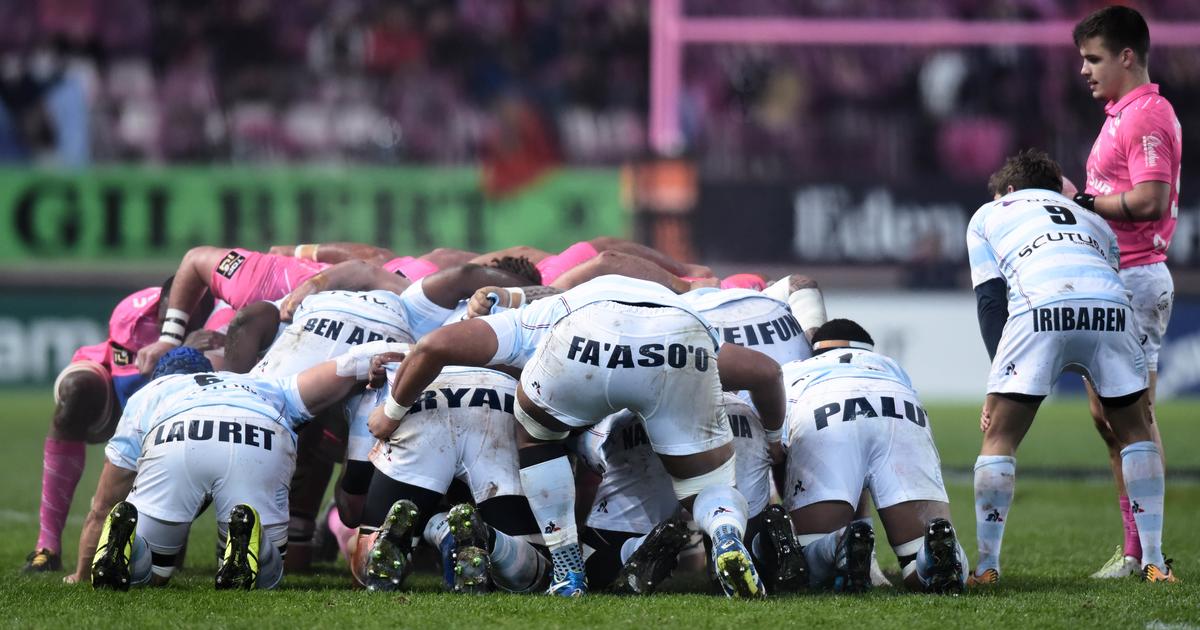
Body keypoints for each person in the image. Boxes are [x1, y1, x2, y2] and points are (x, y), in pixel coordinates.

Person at [371, 275, 786, 598]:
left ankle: (567, 564)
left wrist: (390, 415)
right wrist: (772, 437)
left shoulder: (535, 316)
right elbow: (767, 372)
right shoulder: (688, 315)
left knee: (535, 437)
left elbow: (433, 346)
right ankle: (726, 533)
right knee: (706, 486)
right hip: (677, 339)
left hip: (582, 336)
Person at [968, 149, 1171, 583]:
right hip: (1112, 309)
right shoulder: (1095, 220)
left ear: (1009, 190)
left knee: (999, 436)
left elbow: (990, 303)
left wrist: (996, 380)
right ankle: (1155, 561)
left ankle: (986, 567)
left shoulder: (988, 215)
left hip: (1040, 305)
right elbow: (1108, 281)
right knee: (1136, 433)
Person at [68, 344, 394, 590]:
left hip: (178, 435)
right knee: (268, 572)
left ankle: (130, 547)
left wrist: (82, 572)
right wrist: (381, 361)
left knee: (152, 572)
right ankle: (242, 549)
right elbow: (342, 368)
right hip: (258, 431)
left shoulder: (153, 392)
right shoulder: (262, 384)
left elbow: (103, 504)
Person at [1071, 5, 1182, 579]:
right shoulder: (1123, 115)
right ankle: (1137, 549)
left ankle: (1149, 554)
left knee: (1133, 416)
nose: (1084, 71)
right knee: (1111, 417)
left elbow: (1151, 200)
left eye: (1093, 59)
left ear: (1127, 56)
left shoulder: (1146, 117)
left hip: (1136, 278)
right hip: (1117, 277)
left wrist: (1085, 204)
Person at [23, 283, 217, 573]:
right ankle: (47, 546)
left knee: (159, 560)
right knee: (77, 390)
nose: (168, 330)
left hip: (188, 412)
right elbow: (131, 398)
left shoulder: (226, 322)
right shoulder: (137, 316)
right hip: (120, 393)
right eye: (165, 321)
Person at [781, 319, 966, 594]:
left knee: (810, 562)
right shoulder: (889, 365)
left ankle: (838, 543)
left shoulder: (794, 369)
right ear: (868, 350)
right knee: (916, 553)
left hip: (821, 407)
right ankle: (932, 556)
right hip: (898, 407)